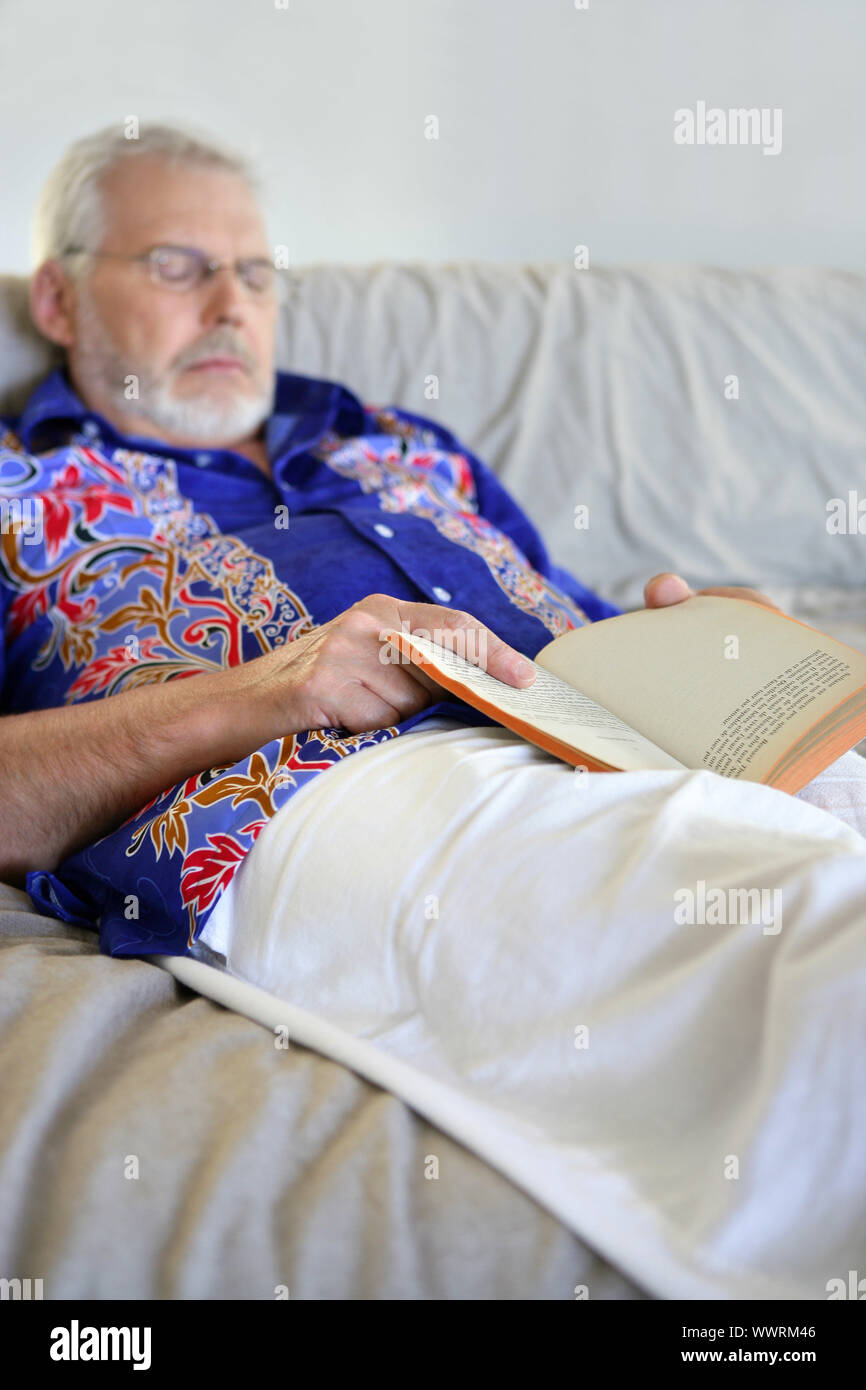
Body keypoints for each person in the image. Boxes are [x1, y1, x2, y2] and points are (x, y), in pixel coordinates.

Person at [1, 122, 862, 963]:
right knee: (803, 940)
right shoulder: (18, 492)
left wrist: (704, 648)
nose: (232, 307)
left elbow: (581, 628)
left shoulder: (397, 440)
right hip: (353, 788)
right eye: (177, 267)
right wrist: (260, 694)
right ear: (56, 300)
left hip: (615, 747)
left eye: (257, 275)